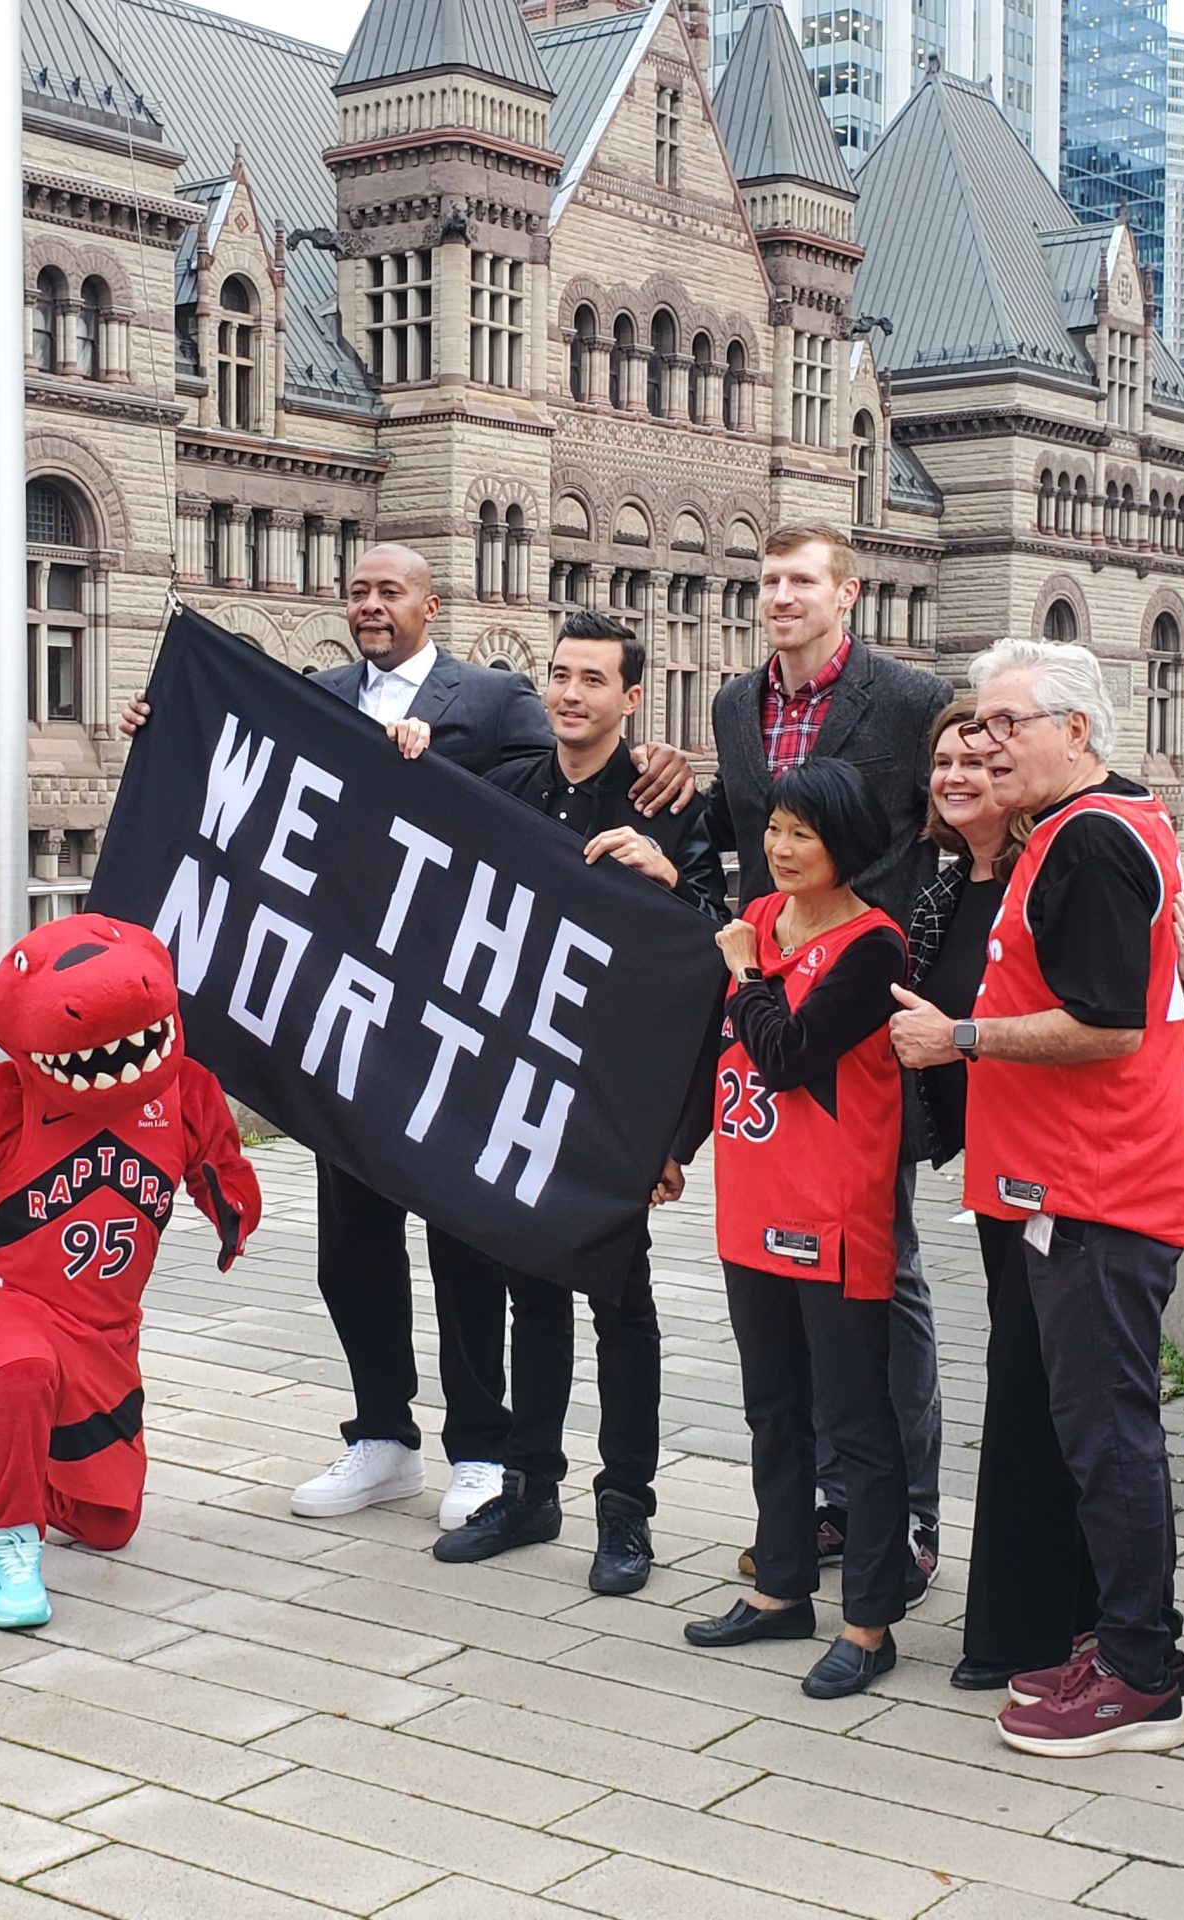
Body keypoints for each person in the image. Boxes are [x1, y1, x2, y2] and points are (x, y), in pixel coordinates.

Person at [121, 544, 550, 1530]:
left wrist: (436, 767)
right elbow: (234, 775)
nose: (369, 605)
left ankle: (481, 1449)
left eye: (389, 591)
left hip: (448, 1017)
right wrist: (164, 727)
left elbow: (544, 809)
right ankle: (382, 1436)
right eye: (357, 592)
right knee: (351, 1245)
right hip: (342, 1011)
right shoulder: (312, 696)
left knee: (462, 1245)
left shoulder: (492, 701)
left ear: (431, 605)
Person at [887, 638, 1184, 1757]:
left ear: (1074, 731)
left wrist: (961, 1037)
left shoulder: (1089, 840)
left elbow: (1108, 1024)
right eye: (978, 723)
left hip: (1097, 1189)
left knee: (1110, 1437)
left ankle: (1143, 1676)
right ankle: (1117, 1645)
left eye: (1006, 723)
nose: (986, 741)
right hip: (1071, 1185)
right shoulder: (1093, 826)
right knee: (1093, 1431)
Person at [629, 525, 948, 1602]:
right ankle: (822, 1505)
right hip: (767, 999)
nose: (780, 597)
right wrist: (674, 791)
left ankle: (905, 1512)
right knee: (783, 1279)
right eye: (767, 581)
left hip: (859, 1015)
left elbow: (945, 825)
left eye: (801, 581)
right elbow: (744, 830)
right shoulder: (735, 705)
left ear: (846, 594)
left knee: (881, 1273)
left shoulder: (908, 699)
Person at [0, 915, 260, 1630]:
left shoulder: (185, 1091)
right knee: (21, 1371)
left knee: (109, 1525)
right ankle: (12, 1549)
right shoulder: (7, 1094)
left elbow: (218, 1162)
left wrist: (231, 1211)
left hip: (106, 1328)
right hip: (10, 1294)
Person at [430, 610, 726, 1593]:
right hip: (516, 1083)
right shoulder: (510, 786)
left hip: (613, 1099)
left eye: (593, 680)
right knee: (531, 1290)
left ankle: (626, 1508)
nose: (570, 693)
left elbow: (713, 966)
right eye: (560, 674)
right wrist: (401, 742)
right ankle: (530, 1488)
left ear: (630, 698)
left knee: (620, 1301)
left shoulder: (666, 804)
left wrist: (678, 1137)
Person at [679, 758, 914, 1701]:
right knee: (772, 1411)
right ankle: (780, 1589)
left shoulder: (873, 947)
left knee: (854, 1423)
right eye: (773, 828)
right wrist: (675, 1149)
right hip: (751, 1202)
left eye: (801, 834)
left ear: (844, 845)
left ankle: (869, 1623)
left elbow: (785, 1055)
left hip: (832, 1212)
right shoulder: (763, 919)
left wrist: (743, 971)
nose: (778, 848)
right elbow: (722, 1053)